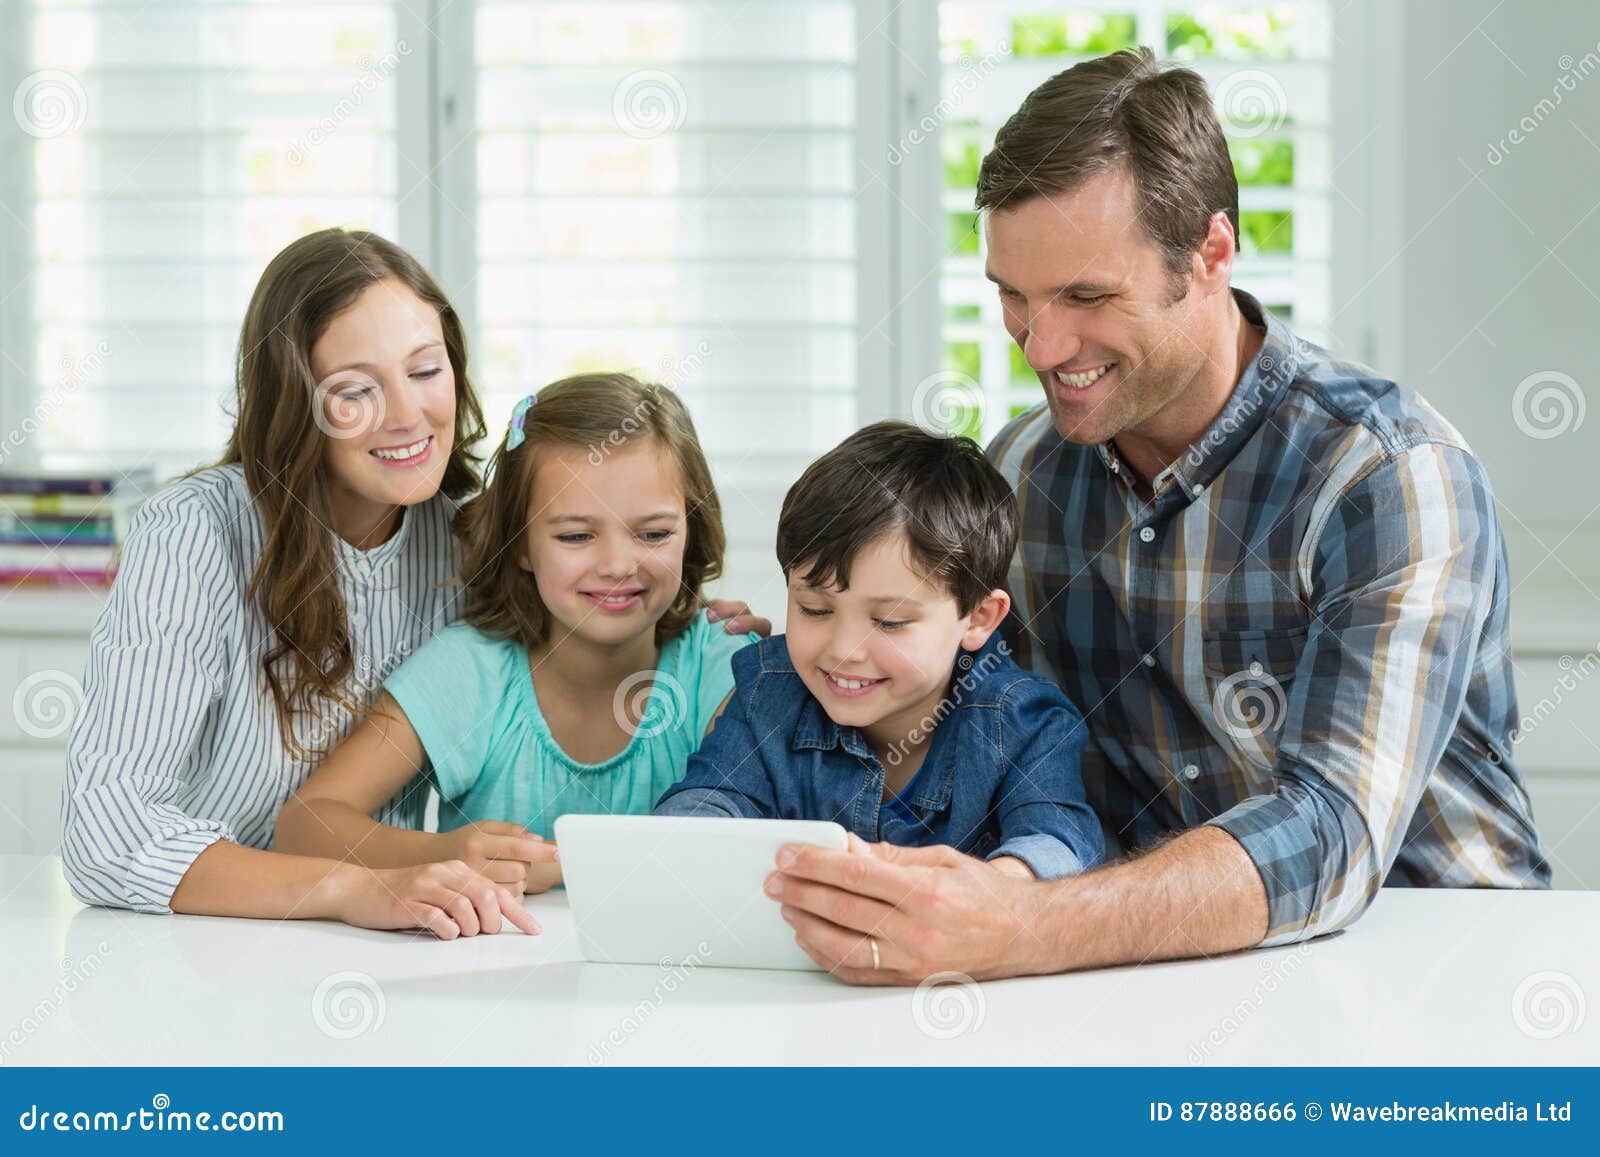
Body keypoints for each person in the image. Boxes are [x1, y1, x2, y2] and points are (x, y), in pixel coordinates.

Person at [764, 48, 1549, 983]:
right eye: (1013, 296)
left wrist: (1025, 926)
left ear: (1211, 253)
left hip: (1440, 980)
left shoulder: (1386, 475)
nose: (1042, 346)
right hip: (1156, 975)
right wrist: (766, 645)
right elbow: (939, 699)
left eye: (1087, 296)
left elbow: (1332, 835)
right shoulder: (1020, 472)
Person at [61, 229, 768, 936]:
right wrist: (355, 887)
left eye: (425, 370)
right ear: (293, 403)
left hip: (380, 940)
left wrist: (692, 617)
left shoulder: (470, 535)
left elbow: (595, 579)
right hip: (183, 933)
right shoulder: (192, 533)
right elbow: (105, 836)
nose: (406, 415)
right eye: (354, 390)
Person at [276, 374, 758, 898]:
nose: (619, 565)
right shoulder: (472, 670)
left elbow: (753, 846)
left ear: (690, 533)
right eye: (576, 536)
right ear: (521, 545)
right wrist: (444, 854)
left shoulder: (723, 663)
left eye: (654, 534)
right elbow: (305, 824)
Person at [657, 422, 1102, 883]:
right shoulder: (769, 692)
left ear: (979, 618)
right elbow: (707, 798)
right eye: (814, 609)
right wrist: (693, 839)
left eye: (890, 622)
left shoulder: (1024, 722)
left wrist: (997, 884)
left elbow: (1059, 839)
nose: (845, 651)